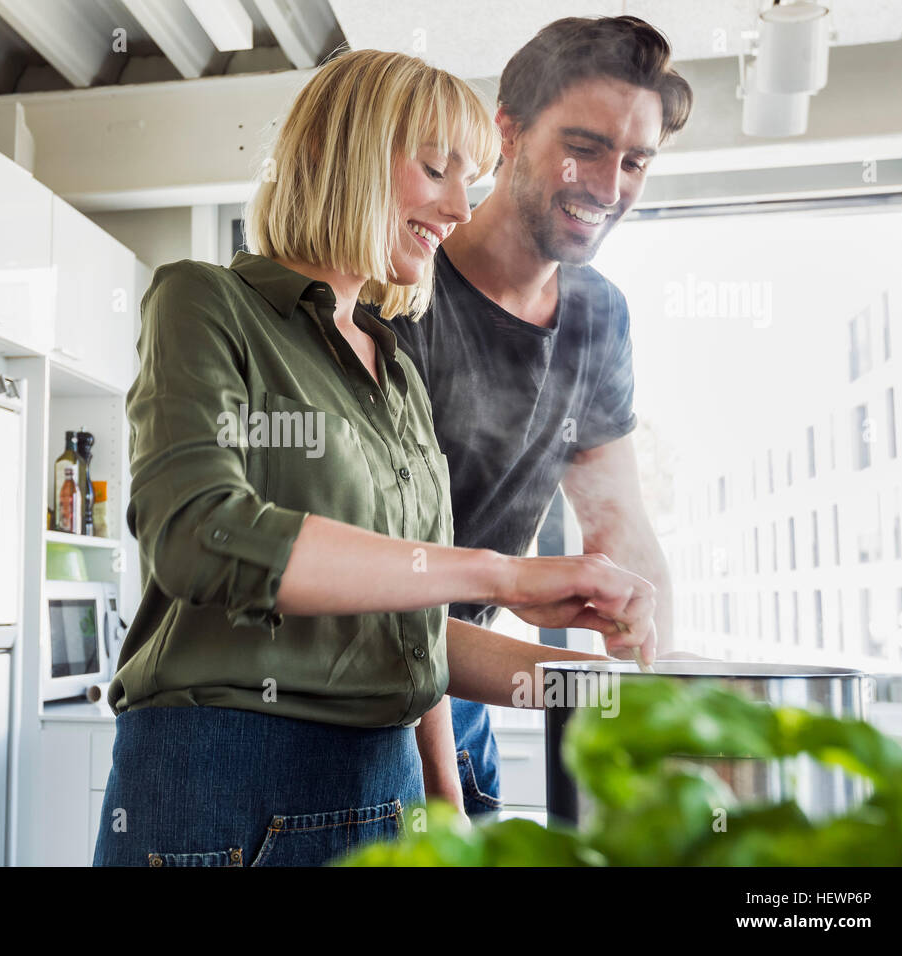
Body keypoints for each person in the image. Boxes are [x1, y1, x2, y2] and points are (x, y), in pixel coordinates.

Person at [92, 48, 656, 868]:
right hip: (224, 778)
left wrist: (617, 694)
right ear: (343, 156)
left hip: (384, 790)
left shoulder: (394, 371)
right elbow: (198, 533)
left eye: (473, 178)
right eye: (437, 169)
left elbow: (416, 634)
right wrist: (500, 574)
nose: (462, 207)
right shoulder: (204, 302)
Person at [386, 16, 693, 816]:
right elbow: (380, 603)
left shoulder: (599, 316)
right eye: (584, 147)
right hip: (361, 686)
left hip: (465, 691)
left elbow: (619, 525)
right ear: (508, 132)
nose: (609, 184)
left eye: (635, 161)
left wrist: (674, 693)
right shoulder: (403, 289)